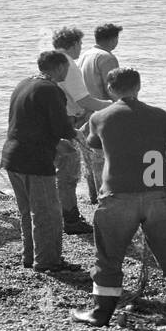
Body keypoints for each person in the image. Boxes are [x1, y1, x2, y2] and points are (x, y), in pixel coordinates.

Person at [72, 67, 166, 328]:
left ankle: (100, 314)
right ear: (139, 87)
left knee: (109, 257)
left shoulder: (101, 117)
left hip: (117, 196)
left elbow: (92, 143)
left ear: (110, 89)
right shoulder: (160, 116)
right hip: (159, 194)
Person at [0, 52, 87, 274]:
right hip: (35, 161)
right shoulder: (50, 90)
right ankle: (48, 261)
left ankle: (30, 257)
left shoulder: (24, 84)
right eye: (66, 67)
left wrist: (57, 143)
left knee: (28, 211)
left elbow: (31, 124)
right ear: (58, 68)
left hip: (13, 156)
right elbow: (60, 127)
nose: (68, 72)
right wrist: (75, 133)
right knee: (47, 212)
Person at [51, 26, 108, 234]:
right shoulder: (68, 64)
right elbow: (84, 99)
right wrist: (113, 104)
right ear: (74, 44)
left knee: (60, 169)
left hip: (56, 120)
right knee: (68, 171)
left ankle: (62, 214)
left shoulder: (52, 61)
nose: (80, 48)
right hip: (66, 121)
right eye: (80, 44)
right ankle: (71, 219)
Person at [78, 23, 122, 192]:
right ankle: (107, 195)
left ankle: (93, 195)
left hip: (86, 112)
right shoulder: (107, 58)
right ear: (113, 39)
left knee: (89, 158)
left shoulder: (85, 55)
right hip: (103, 114)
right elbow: (113, 88)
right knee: (105, 158)